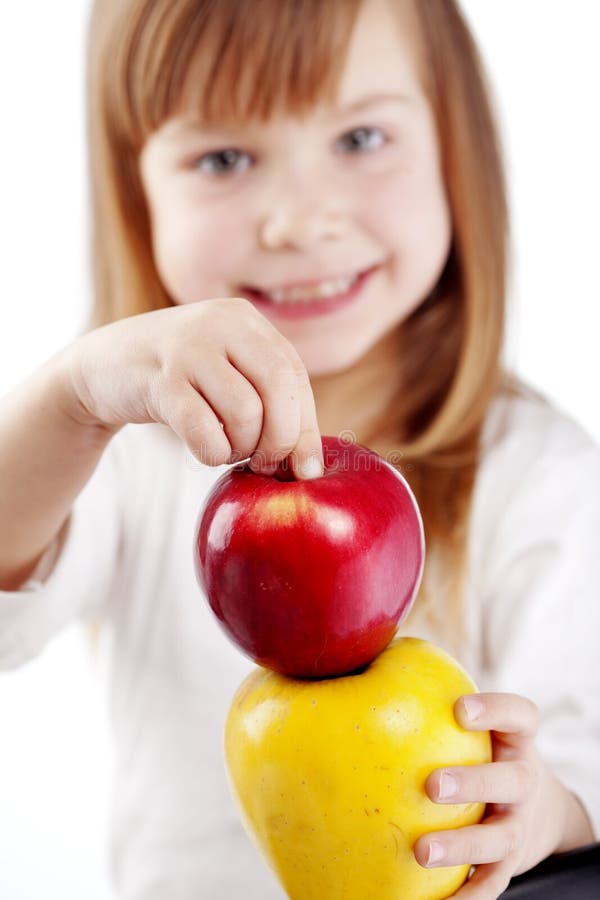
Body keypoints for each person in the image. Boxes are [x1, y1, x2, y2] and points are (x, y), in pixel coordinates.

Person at [0, 0, 598, 897]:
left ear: (455, 147)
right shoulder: (131, 458)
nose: (298, 221)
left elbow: (584, 765)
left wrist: (543, 812)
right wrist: (72, 399)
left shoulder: (541, 475)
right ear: (137, 189)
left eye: (360, 138)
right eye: (225, 158)